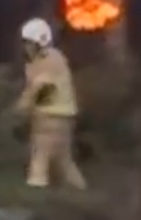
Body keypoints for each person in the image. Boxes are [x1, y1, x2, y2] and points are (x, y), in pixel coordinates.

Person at [14, 17, 87, 189]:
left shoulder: (47, 60)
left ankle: (36, 187)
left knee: (40, 155)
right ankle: (79, 190)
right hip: (65, 117)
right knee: (64, 160)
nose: (25, 47)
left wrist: (21, 108)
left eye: (28, 43)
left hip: (49, 117)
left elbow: (39, 88)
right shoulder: (55, 58)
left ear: (38, 43)